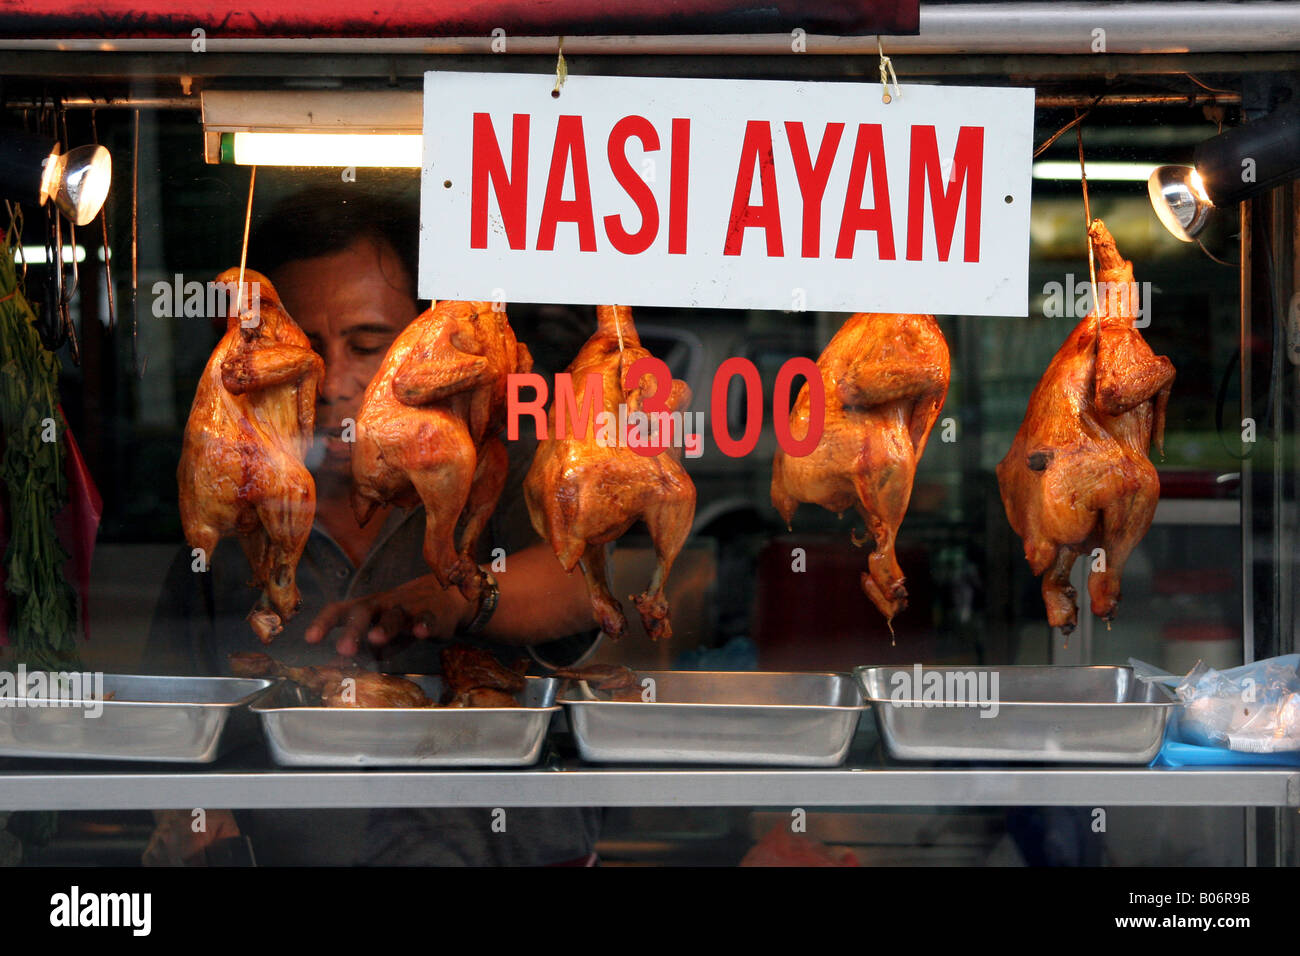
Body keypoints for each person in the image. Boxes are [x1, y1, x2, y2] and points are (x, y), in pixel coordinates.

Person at [144, 186, 603, 865]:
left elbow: (580, 587)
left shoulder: (492, 471)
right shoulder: (238, 508)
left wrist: (452, 597)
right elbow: (170, 714)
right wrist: (191, 815)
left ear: (427, 344)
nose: (334, 381)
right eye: (305, 348)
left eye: (368, 344)